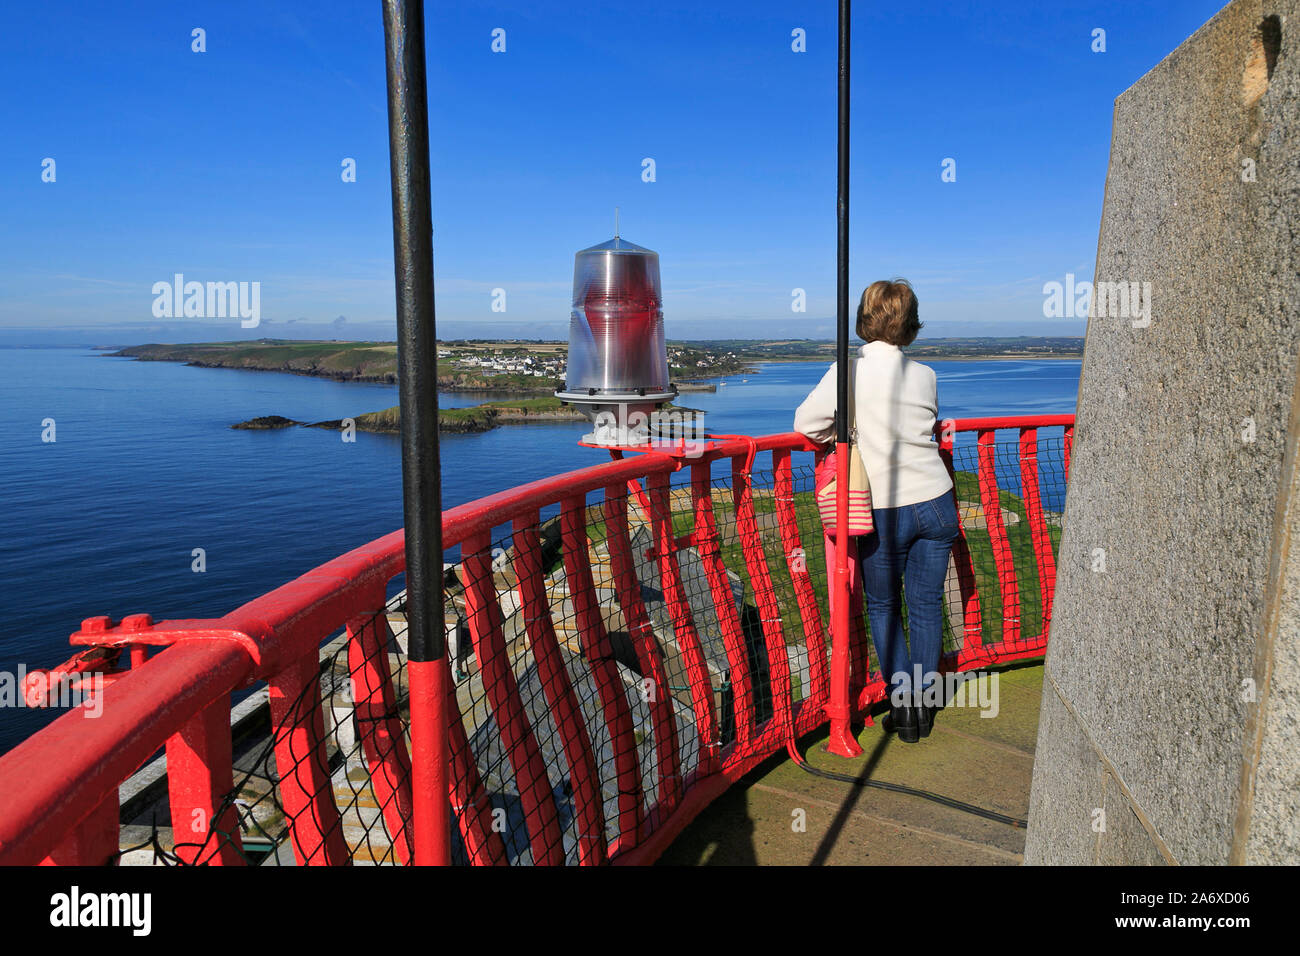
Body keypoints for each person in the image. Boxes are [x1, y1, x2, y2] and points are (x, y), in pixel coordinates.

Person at [793, 278, 959, 743]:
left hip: (885, 507)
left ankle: (903, 709)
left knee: (884, 606)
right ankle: (923, 708)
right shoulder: (925, 374)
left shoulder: (850, 370)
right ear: (911, 324)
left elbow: (805, 423)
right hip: (937, 500)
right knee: (926, 606)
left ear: (865, 319)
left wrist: (845, 437)